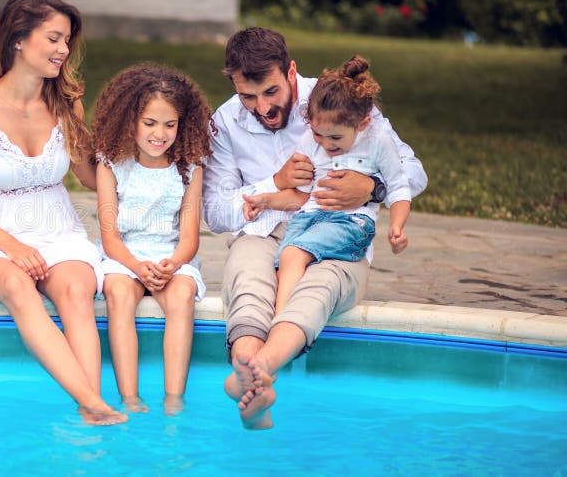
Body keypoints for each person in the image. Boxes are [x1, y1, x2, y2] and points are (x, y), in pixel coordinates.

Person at [201, 27, 428, 430]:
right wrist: (275, 182)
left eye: (270, 92)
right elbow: (216, 212)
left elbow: (412, 171)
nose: (262, 107)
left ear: (290, 71)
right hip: (265, 229)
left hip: (337, 232)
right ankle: (257, 386)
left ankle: (257, 372)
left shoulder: (338, 101)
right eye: (247, 96)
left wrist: (372, 188)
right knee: (249, 281)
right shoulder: (225, 121)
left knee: (318, 288)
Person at [0, 0, 126, 426]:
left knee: (77, 291)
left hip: (59, 231)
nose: (63, 50)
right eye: (54, 39)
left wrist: (134, 160)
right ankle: (93, 403)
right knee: (19, 288)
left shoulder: (65, 101)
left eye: (67, 42)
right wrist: (12, 248)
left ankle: (88, 406)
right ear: (18, 38)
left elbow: (88, 176)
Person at [248, 55, 412, 317]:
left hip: (351, 222)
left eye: (336, 137)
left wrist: (396, 225)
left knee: (293, 254)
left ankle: (280, 321)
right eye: (317, 134)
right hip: (307, 219)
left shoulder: (377, 142)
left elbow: (399, 187)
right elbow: (302, 197)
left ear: (362, 124)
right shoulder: (309, 141)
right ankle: (290, 318)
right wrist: (265, 200)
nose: (325, 144)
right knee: (284, 267)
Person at [92, 63, 213, 415]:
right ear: (130, 120)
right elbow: (110, 236)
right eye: (150, 123)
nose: (159, 133)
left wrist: (172, 265)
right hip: (124, 256)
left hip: (170, 257)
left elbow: (190, 237)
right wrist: (135, 267)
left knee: (182, 298)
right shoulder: (111, 163)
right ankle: (129, 396)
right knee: (118, 295)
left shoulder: (190, 167)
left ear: (182, 124)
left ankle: (174, 397)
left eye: (169, 124)